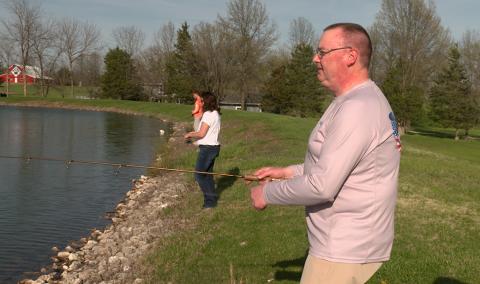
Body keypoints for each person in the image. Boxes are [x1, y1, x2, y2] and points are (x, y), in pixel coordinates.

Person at [250, 23, 401, 284]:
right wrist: (286, 173)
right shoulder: (353, 101)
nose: (315, 58)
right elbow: (334, 165)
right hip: (344, 247)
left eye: (322, 52)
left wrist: (266, 193)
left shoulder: (358, 108)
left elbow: (322, 186)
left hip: (342, 251)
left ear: (350, 56)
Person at [185, 91, 221, 209]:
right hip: (213, 148)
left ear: (206, 102)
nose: (200, 103)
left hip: (207, 149)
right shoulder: (215, 113)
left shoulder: (208, 115)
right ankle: (212, 198)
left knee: (199, 176)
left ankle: (210, 203)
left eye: (201, 101)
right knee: (207, 175)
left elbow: (201, 133)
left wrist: (190, 134)